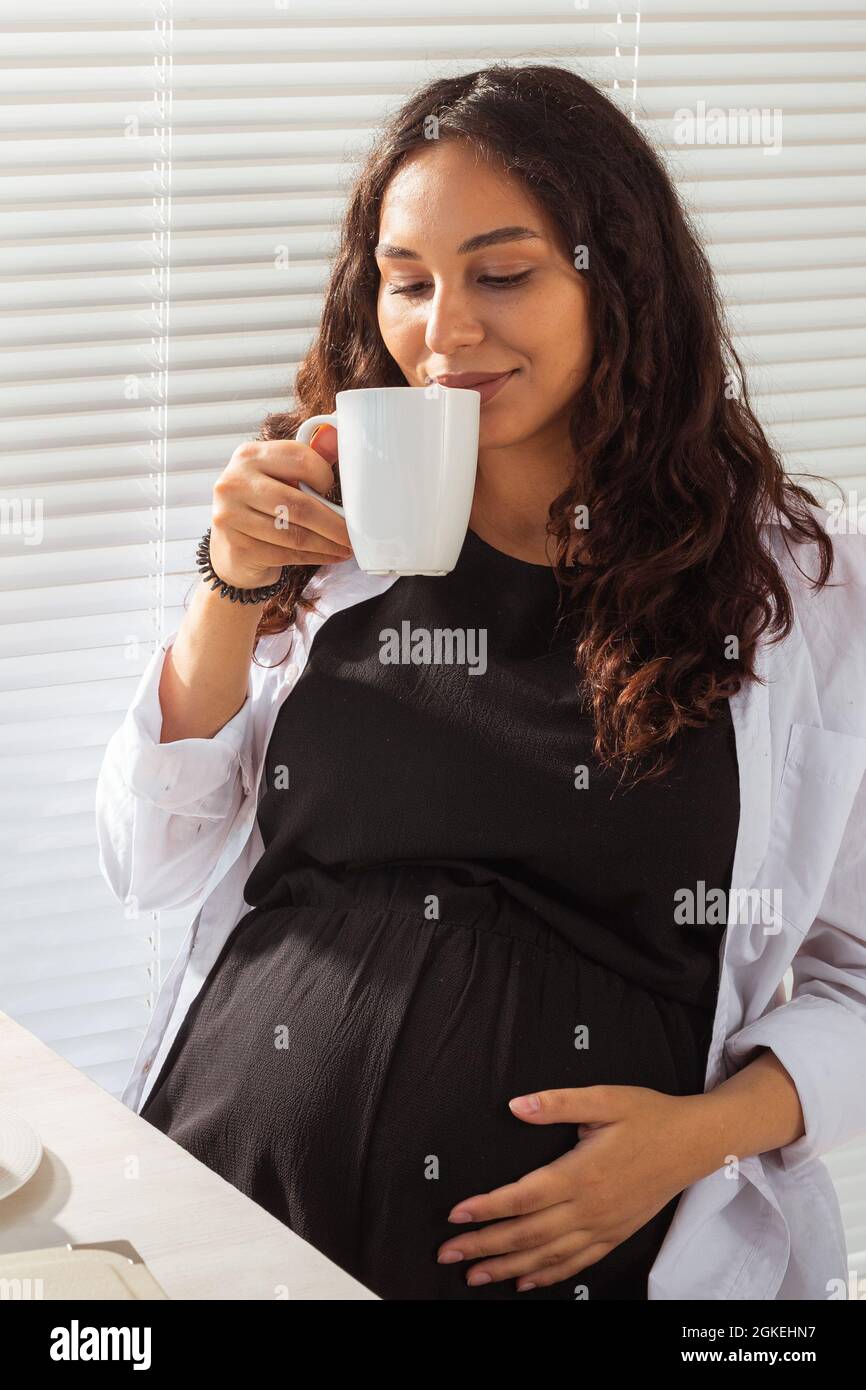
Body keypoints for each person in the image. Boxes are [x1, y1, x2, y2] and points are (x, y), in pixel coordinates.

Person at [96, 64, 866, 1301]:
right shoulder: (311, 525)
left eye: (502, 273)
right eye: (407, 282)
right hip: (231, 1208)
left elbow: (857, 980)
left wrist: (697, 1134)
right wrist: (227, 586)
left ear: (616, 280)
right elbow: (149, 860)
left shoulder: (796, 591)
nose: (443, 332)